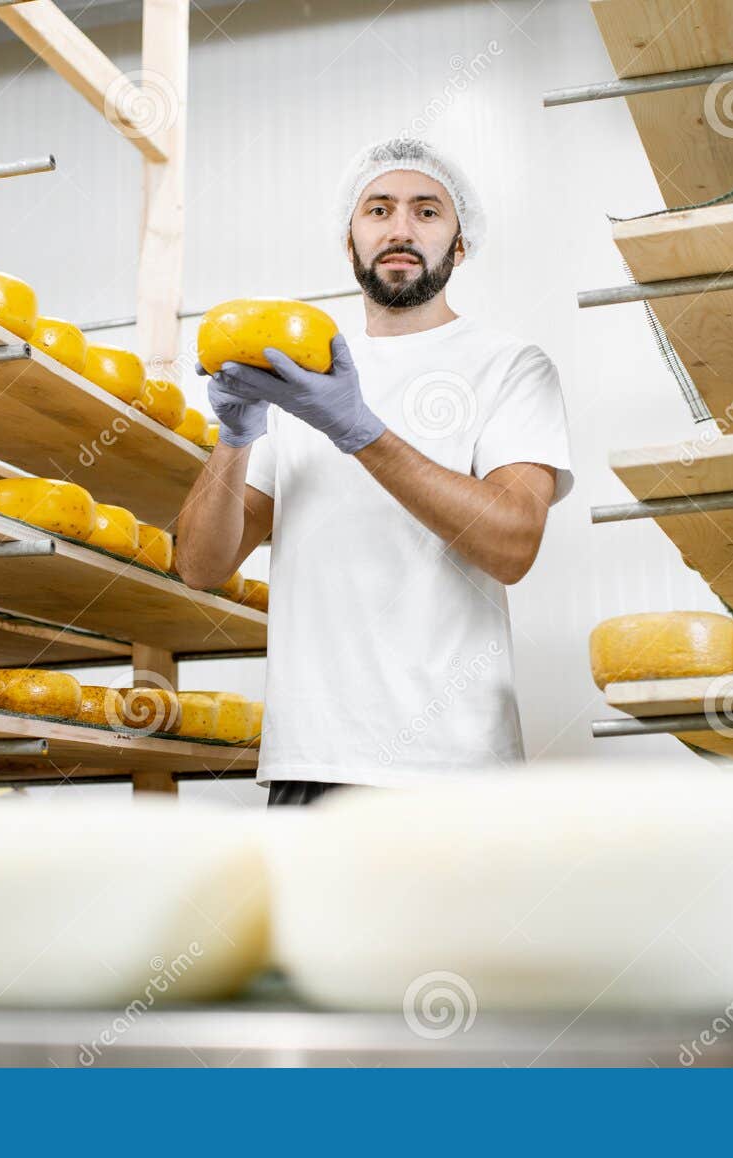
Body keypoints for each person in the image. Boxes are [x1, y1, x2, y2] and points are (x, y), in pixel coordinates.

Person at [176, 137, 573, 806]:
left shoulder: (510, 366)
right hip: (312, 758)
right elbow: (200, 565)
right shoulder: (297, 372)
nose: (400, 229)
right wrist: (236, 437)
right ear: (350, 239)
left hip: (456, 767)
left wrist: (358, 431)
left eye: (427, 211)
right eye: (379, 209)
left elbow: (512, 544)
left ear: (460, 243)